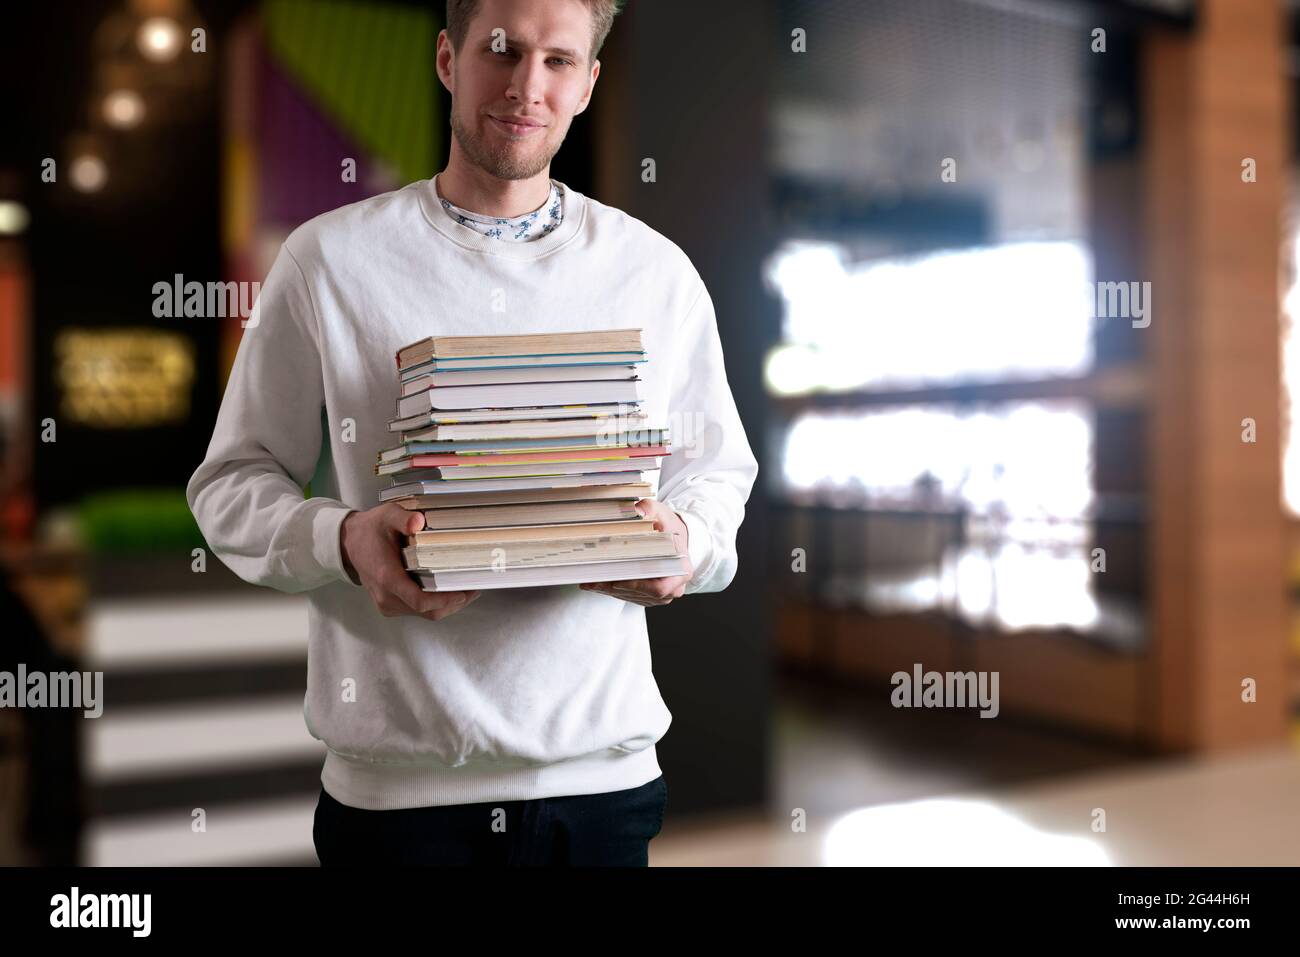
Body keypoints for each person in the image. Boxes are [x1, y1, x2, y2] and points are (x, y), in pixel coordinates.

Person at [186, 0, 758, 867]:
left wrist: (688, 544)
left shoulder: (655, 272)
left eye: (559, 61)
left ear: (589, 83)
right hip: (397, 801)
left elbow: (716, 471)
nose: (528, 86)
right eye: (503, 50)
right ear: (449, 59)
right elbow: (230, 483)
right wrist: (343, 539)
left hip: (601, 790)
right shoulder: (327, 262)